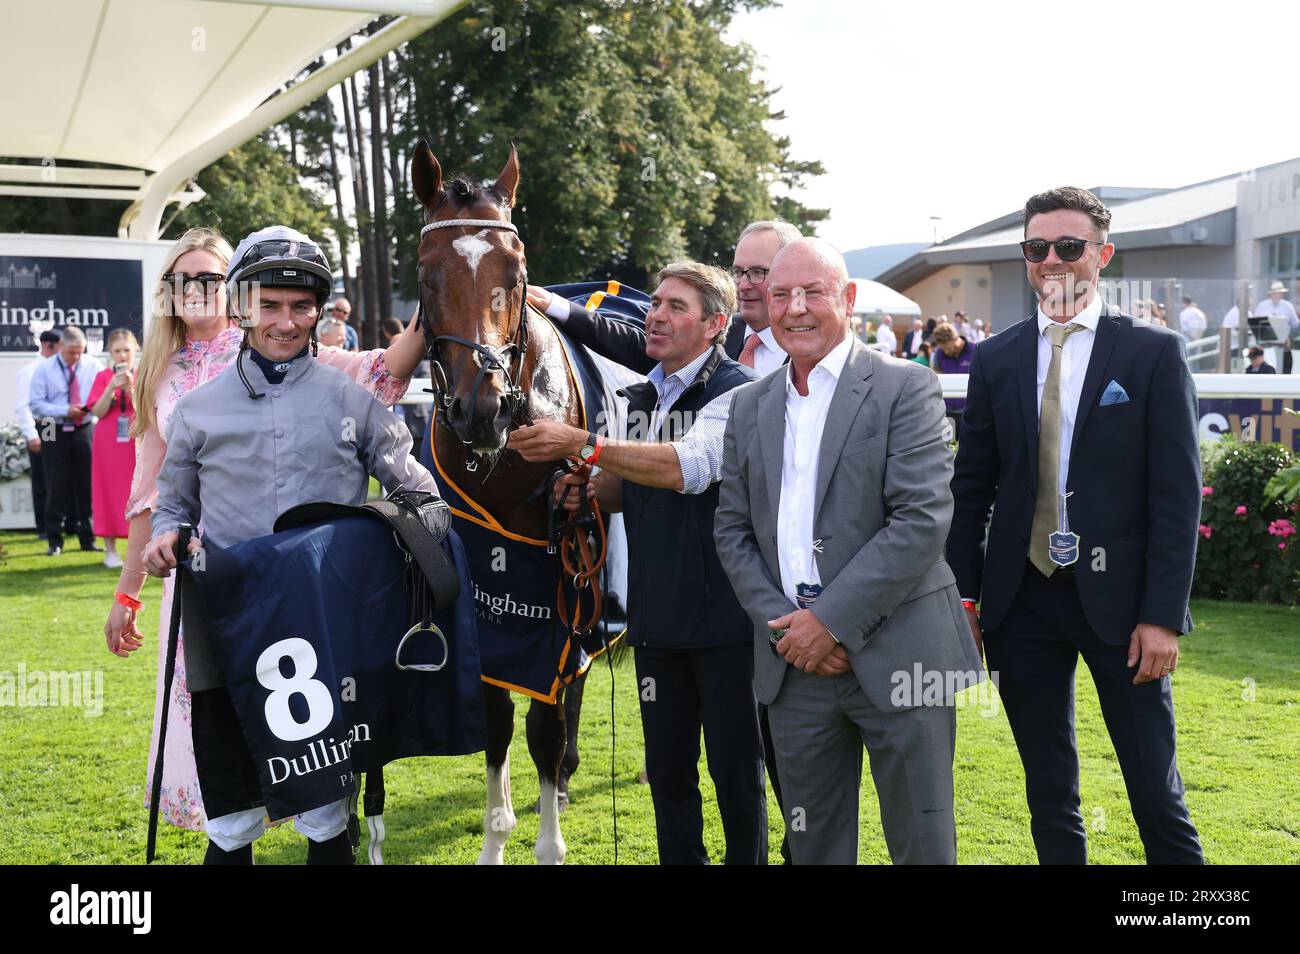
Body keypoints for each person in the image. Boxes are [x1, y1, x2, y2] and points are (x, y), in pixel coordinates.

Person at [103, 226, 427, 837]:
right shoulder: (165, 381)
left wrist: (444, 280)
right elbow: (159, 499)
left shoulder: (327, 372)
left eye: (206, 277)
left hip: (317, 610)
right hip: (220, 598)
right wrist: (140, 574)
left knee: (324, 801)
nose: (284, 320)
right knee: (232, 790)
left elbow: (383, 383)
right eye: (182, 279)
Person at [948, 185, 1203, 865]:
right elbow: (970, 490)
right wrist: (965, 597)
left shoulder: (1152, 354)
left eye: (1069, 246)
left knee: (1155, 787)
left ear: (1103, 255)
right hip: (1019, 602)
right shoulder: (997, 358)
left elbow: (1177, 498)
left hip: (1123, 608)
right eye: (1037, 247)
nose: (1052, 260)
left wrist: (1162, 616)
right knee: (1048, 789)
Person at [714, 238, 981, 865]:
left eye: (813, 292)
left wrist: (827, 623)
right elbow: (731, 529)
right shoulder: (749, 405)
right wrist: (788, 629)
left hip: (903, 654)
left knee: (922, 844)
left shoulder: (905, 388)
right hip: (795, 666)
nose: (795, 309)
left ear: (850, 300)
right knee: (813, 846)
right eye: (781, 294)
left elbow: (921, 520)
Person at [513, 263, 765, 864]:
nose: (655, 315)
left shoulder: (737, 390)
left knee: (736, 778)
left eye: (676, 306)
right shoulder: (643, 392)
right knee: (668, 775)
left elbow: (687, 468)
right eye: (654, 304)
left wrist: (581, 444)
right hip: (657, 621)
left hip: (728, 621)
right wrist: (589, 488)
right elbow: (638, 483)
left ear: (715, 326)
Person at [29, 325, 104, 556]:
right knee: (55, 479)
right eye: (72, 352)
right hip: (52, 425)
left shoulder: (93, 365)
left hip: (83, 425)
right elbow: (36, 404)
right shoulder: (44, 368)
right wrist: (64, 410)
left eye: (80, 351)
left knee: (86, 481)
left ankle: (87, 536)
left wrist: (86, 409)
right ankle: (54, 539)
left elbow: (102, 395)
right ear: (61, 347)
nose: (76, 357)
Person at [86, 329, 140, 567]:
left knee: (137, 491)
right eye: (117, 351)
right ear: (110, 352)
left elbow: (147, 411)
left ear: (135, 350)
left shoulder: (143, 374)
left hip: (135, 440)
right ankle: (110, 551)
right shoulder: (102, 376)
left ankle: (137, 548)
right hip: (107, 442)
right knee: (106, 490)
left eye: (126, 350)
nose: (122, 355)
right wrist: (111, 387)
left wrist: (131, 388)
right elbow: (96, 412)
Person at [13, 329, 62, 537]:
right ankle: (43, 525)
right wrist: (32, 434)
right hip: (42, 425)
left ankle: (58, 522)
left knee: (57, 474)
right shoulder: (31, 371)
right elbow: (22, 407)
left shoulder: (57, 368)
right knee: (43, 476)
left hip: (56, 423)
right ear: (48, 346)